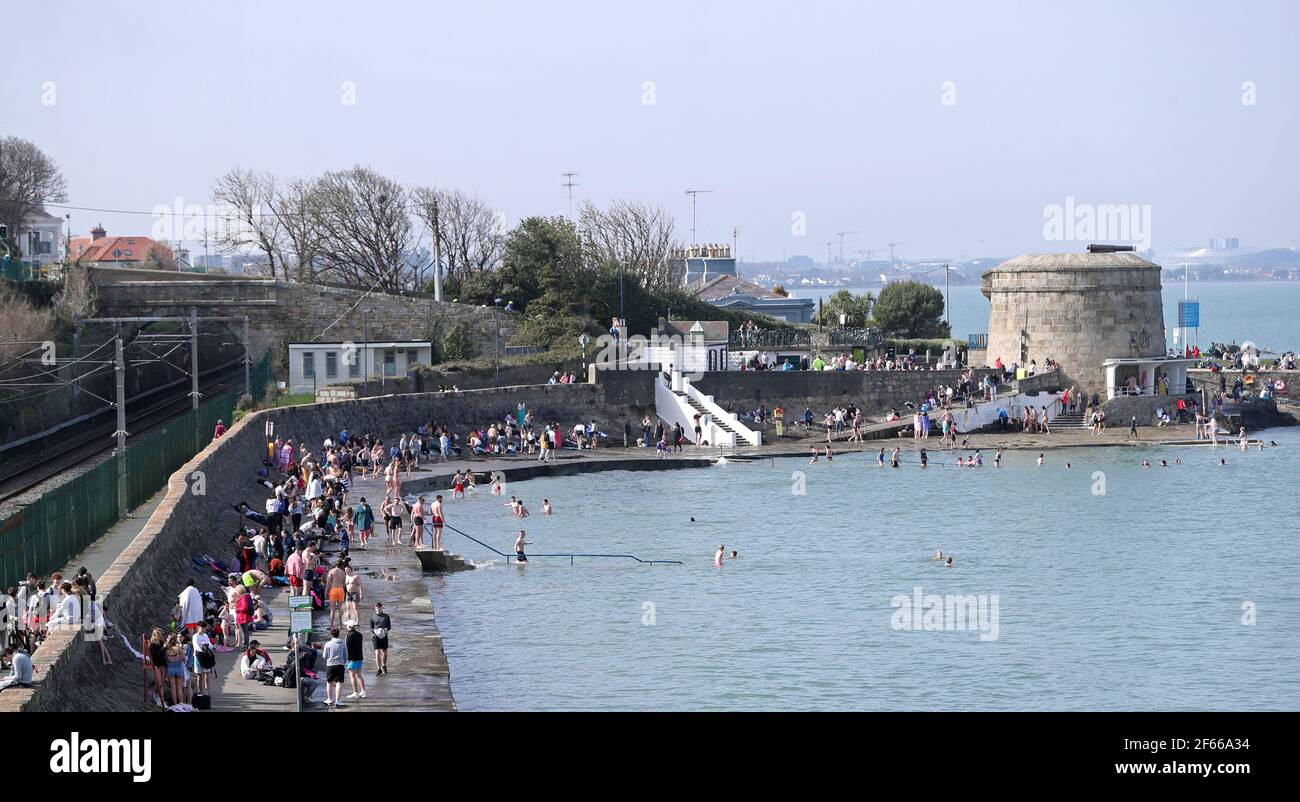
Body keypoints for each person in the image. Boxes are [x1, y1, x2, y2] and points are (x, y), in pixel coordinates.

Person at [323, 628, 348, 707]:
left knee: (329, 682)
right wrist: (342, 662)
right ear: (338, 635)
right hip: (340, 665)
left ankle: (329, 699)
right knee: (339, 683)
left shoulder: (328, 644)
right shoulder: (343, 643)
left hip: (330, 665)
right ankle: (338, 701)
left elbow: (324, 656)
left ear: (331, 635)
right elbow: (346, 656)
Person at [344, 624, 367, 700]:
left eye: (347, 626)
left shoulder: (348, 635)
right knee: (359, 675)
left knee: (352, 676)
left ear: (349, 627)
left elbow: (346, 647)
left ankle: (355, 692)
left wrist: (346, 658)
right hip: (359, 657)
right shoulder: (360, 634)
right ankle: (363, 691)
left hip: (352, 658)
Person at [370, 602, 392, 676]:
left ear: (382, 608)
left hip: (384, 636)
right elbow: (370, 627)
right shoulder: (372, 617)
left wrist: (386, 629)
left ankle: (384, 666)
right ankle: (379, 669)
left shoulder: (386, 616)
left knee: (384, 652)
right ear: (375, 608)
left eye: (379, 608)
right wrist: (374, 631)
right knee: (377, 653)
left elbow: (389, 626)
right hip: (376, 637)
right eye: (377, 608)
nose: (378, 609)